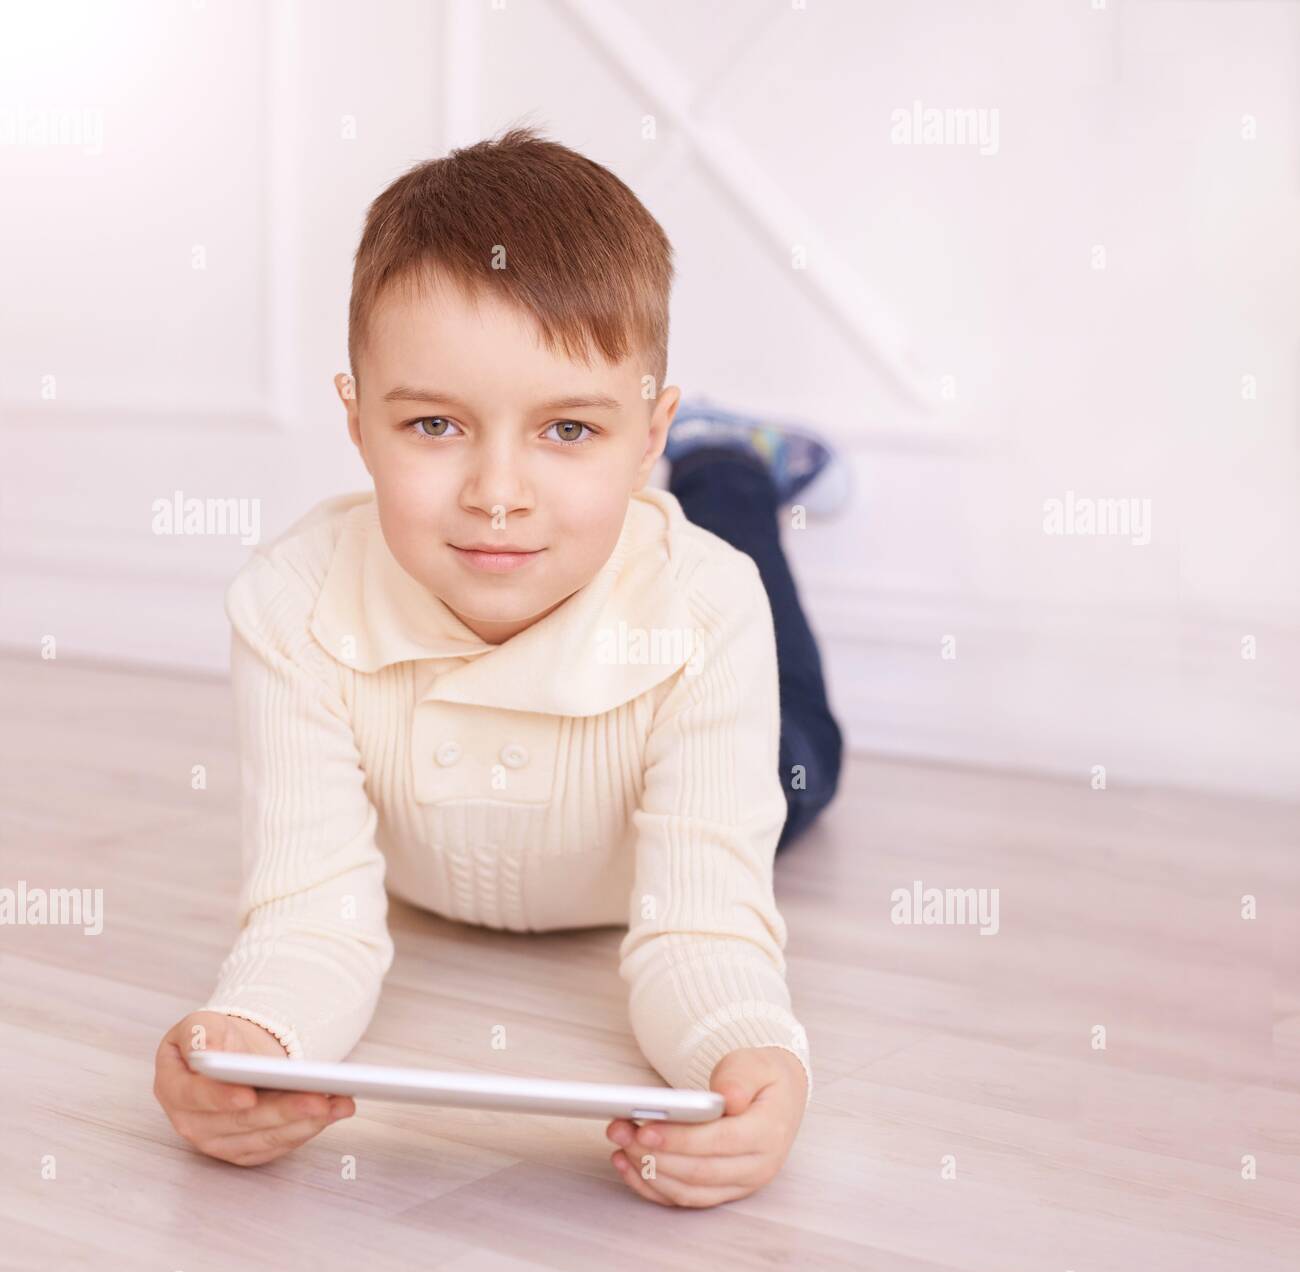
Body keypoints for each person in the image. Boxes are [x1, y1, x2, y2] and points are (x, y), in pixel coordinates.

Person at [153, 127, 845, 1207]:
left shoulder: (702, 613)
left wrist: (748, 1059)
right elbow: (309, 912)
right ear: (357, 422)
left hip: (698, 697)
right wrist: (250, 1040)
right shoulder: (291, 604)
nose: (496, 493)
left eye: (568, 428)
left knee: (804, 746)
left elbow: (702, 922)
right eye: (435, 423)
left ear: (641, 430)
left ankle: (727, 468)